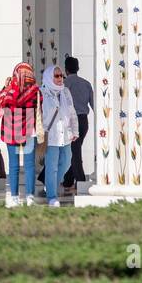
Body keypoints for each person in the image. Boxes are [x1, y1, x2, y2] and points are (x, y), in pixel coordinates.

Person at [0, 62, 40, 206]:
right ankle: (30, 197)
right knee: (29, 165)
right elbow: (41, 106)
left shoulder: (9, 90)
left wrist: (5, 86)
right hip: (28, 130)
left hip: (11, 131)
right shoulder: (35, 90)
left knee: (13, 165)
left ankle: (14, 197)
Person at [39, 64, 79, 207]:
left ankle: (51, 185)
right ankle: (51, 196)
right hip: (51, 135)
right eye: (56, 76)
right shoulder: (42, 93)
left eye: (62, 75)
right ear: (49, 77)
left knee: (67, 161)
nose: (60, 78)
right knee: (52, 166)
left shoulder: (66, 92)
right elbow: (40, 115)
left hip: (66, 134)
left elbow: (72, 113)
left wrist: (75, 131)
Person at [61, 55, 92, 192]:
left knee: (75, 151)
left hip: (71, 121)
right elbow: (94, 104)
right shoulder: (86, 83)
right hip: (84, 120)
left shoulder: (64, 84)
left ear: (66, 69)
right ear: (77, 68)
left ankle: (80, 183)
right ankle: (68, 181)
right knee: (75, 150)